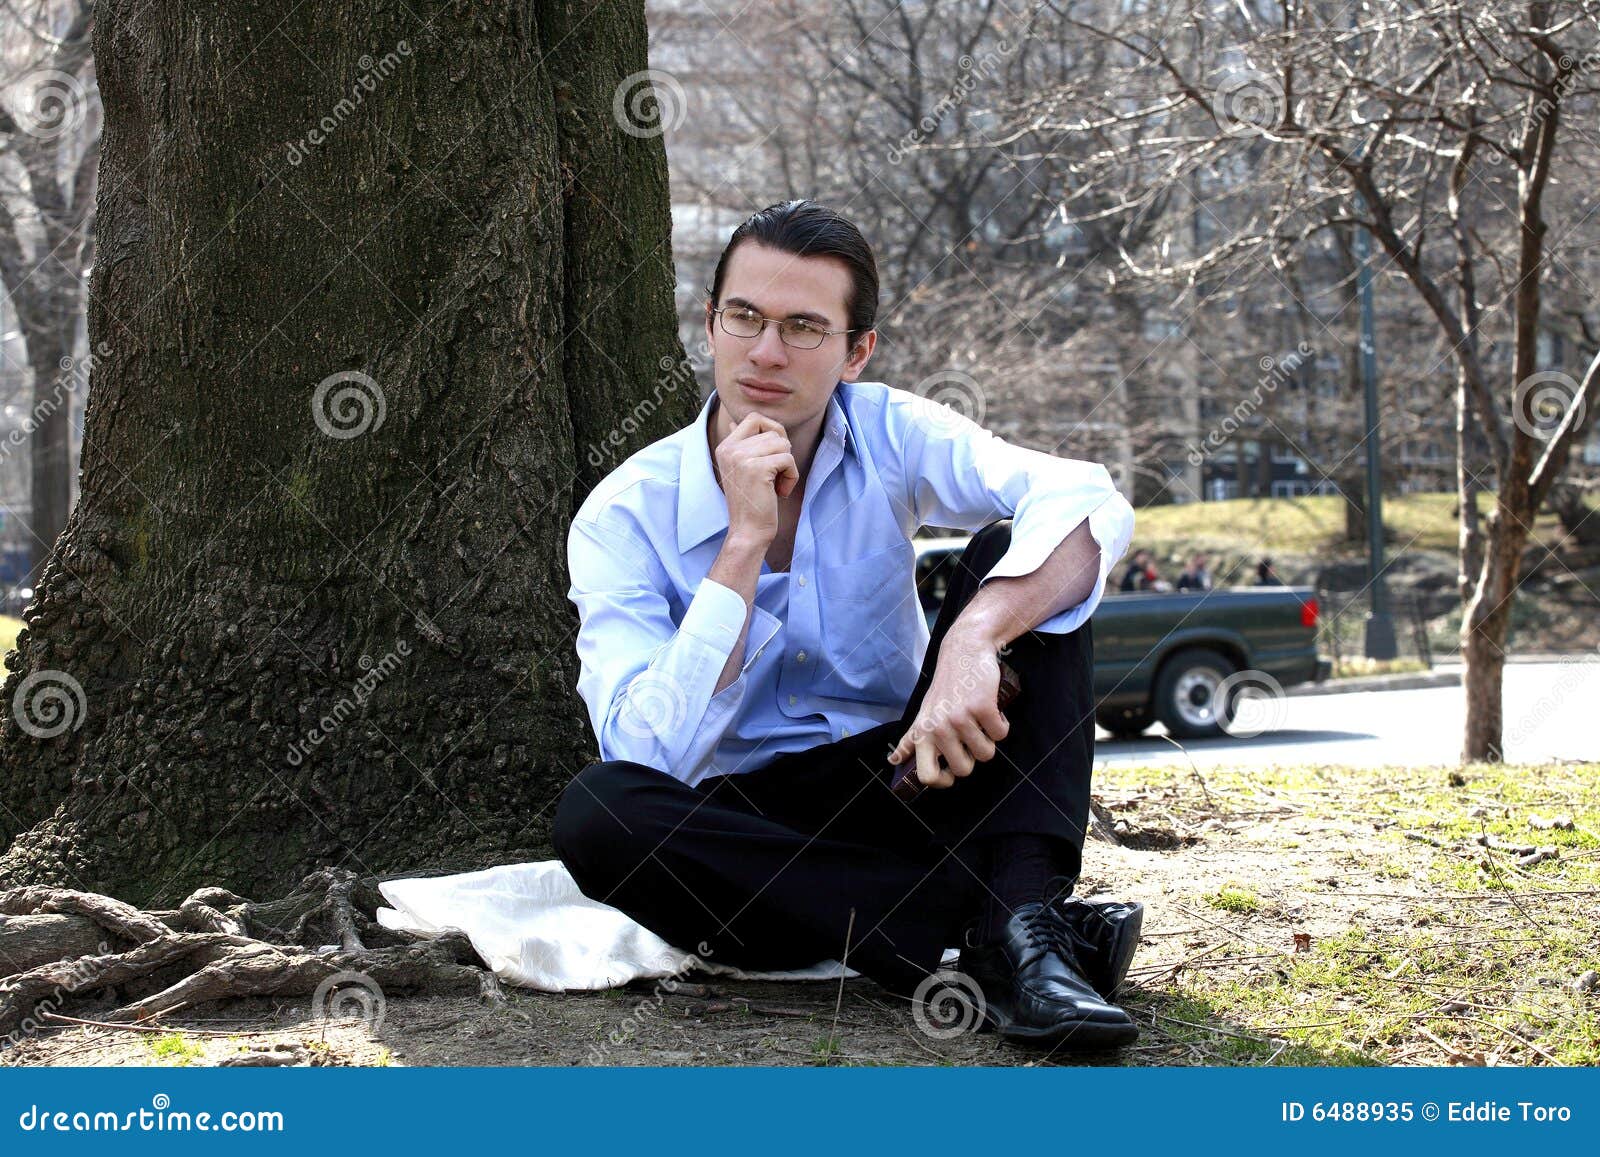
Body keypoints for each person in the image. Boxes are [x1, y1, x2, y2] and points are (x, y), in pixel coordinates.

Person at [553, 199, 1143, 1051]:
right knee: (598, 814)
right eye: (744, 317)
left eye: (802, 327)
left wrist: (973, 640)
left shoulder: (889, 433)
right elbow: (647, 757)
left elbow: (1083, 497)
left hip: (913, 771)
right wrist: (744, 546)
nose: (764, 352)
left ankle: (1012, 924)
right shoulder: (623, 515)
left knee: (1019, 554)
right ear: (710, 323)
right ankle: (1014, 931)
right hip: (744, 829)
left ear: (855, 351)